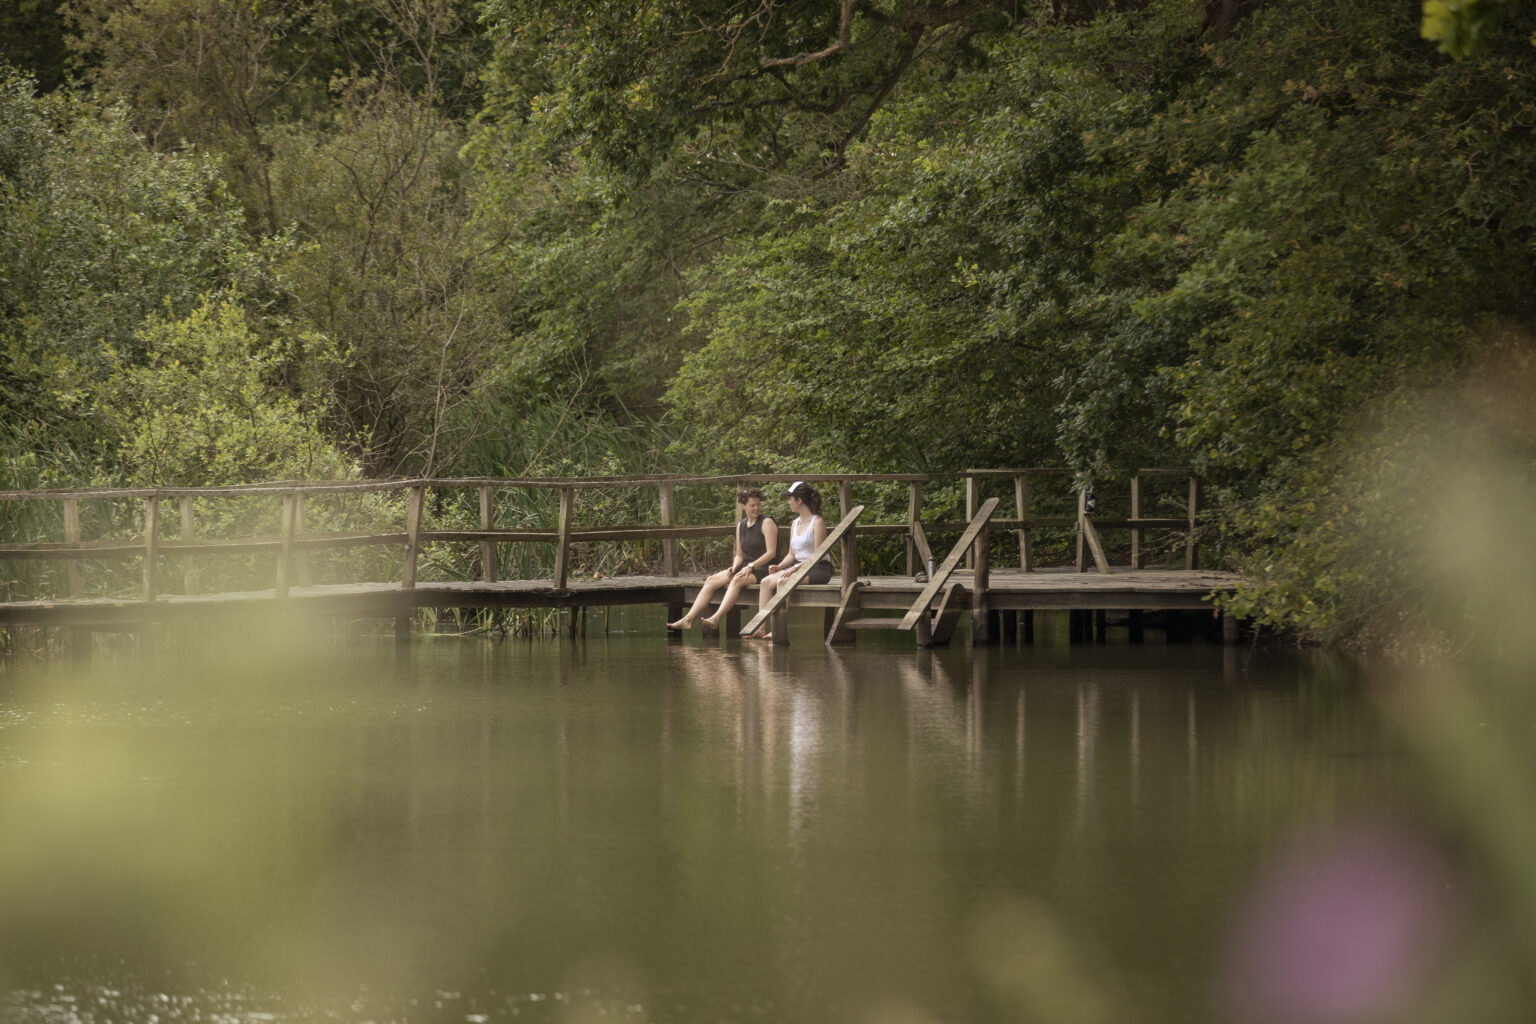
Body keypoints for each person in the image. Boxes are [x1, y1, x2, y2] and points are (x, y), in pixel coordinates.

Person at [667, 487, 778, 633]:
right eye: (752, 505)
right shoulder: (741, 525)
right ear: (743, 506)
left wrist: (751, 566)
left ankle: (716, 618)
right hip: (746, 567)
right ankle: (688, 619)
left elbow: (771, 553)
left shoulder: (767, 522)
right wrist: (734, 566)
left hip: (766, 568)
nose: (756, 508)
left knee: (737, 580)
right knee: (711, 580)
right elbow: (739, 555)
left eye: (758, 504)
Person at [746, 481, 829, 639]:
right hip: (799, 568)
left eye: (790, 499)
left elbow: (817, 556)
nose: (789, 502)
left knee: (782, 582)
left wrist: (794, 568)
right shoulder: (794, 523)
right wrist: (779, 566)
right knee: (765, 582)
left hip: (819, 569)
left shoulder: (817, 522)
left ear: (799, 501)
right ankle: (760, 628)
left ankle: (777, 628)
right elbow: (792, 554)